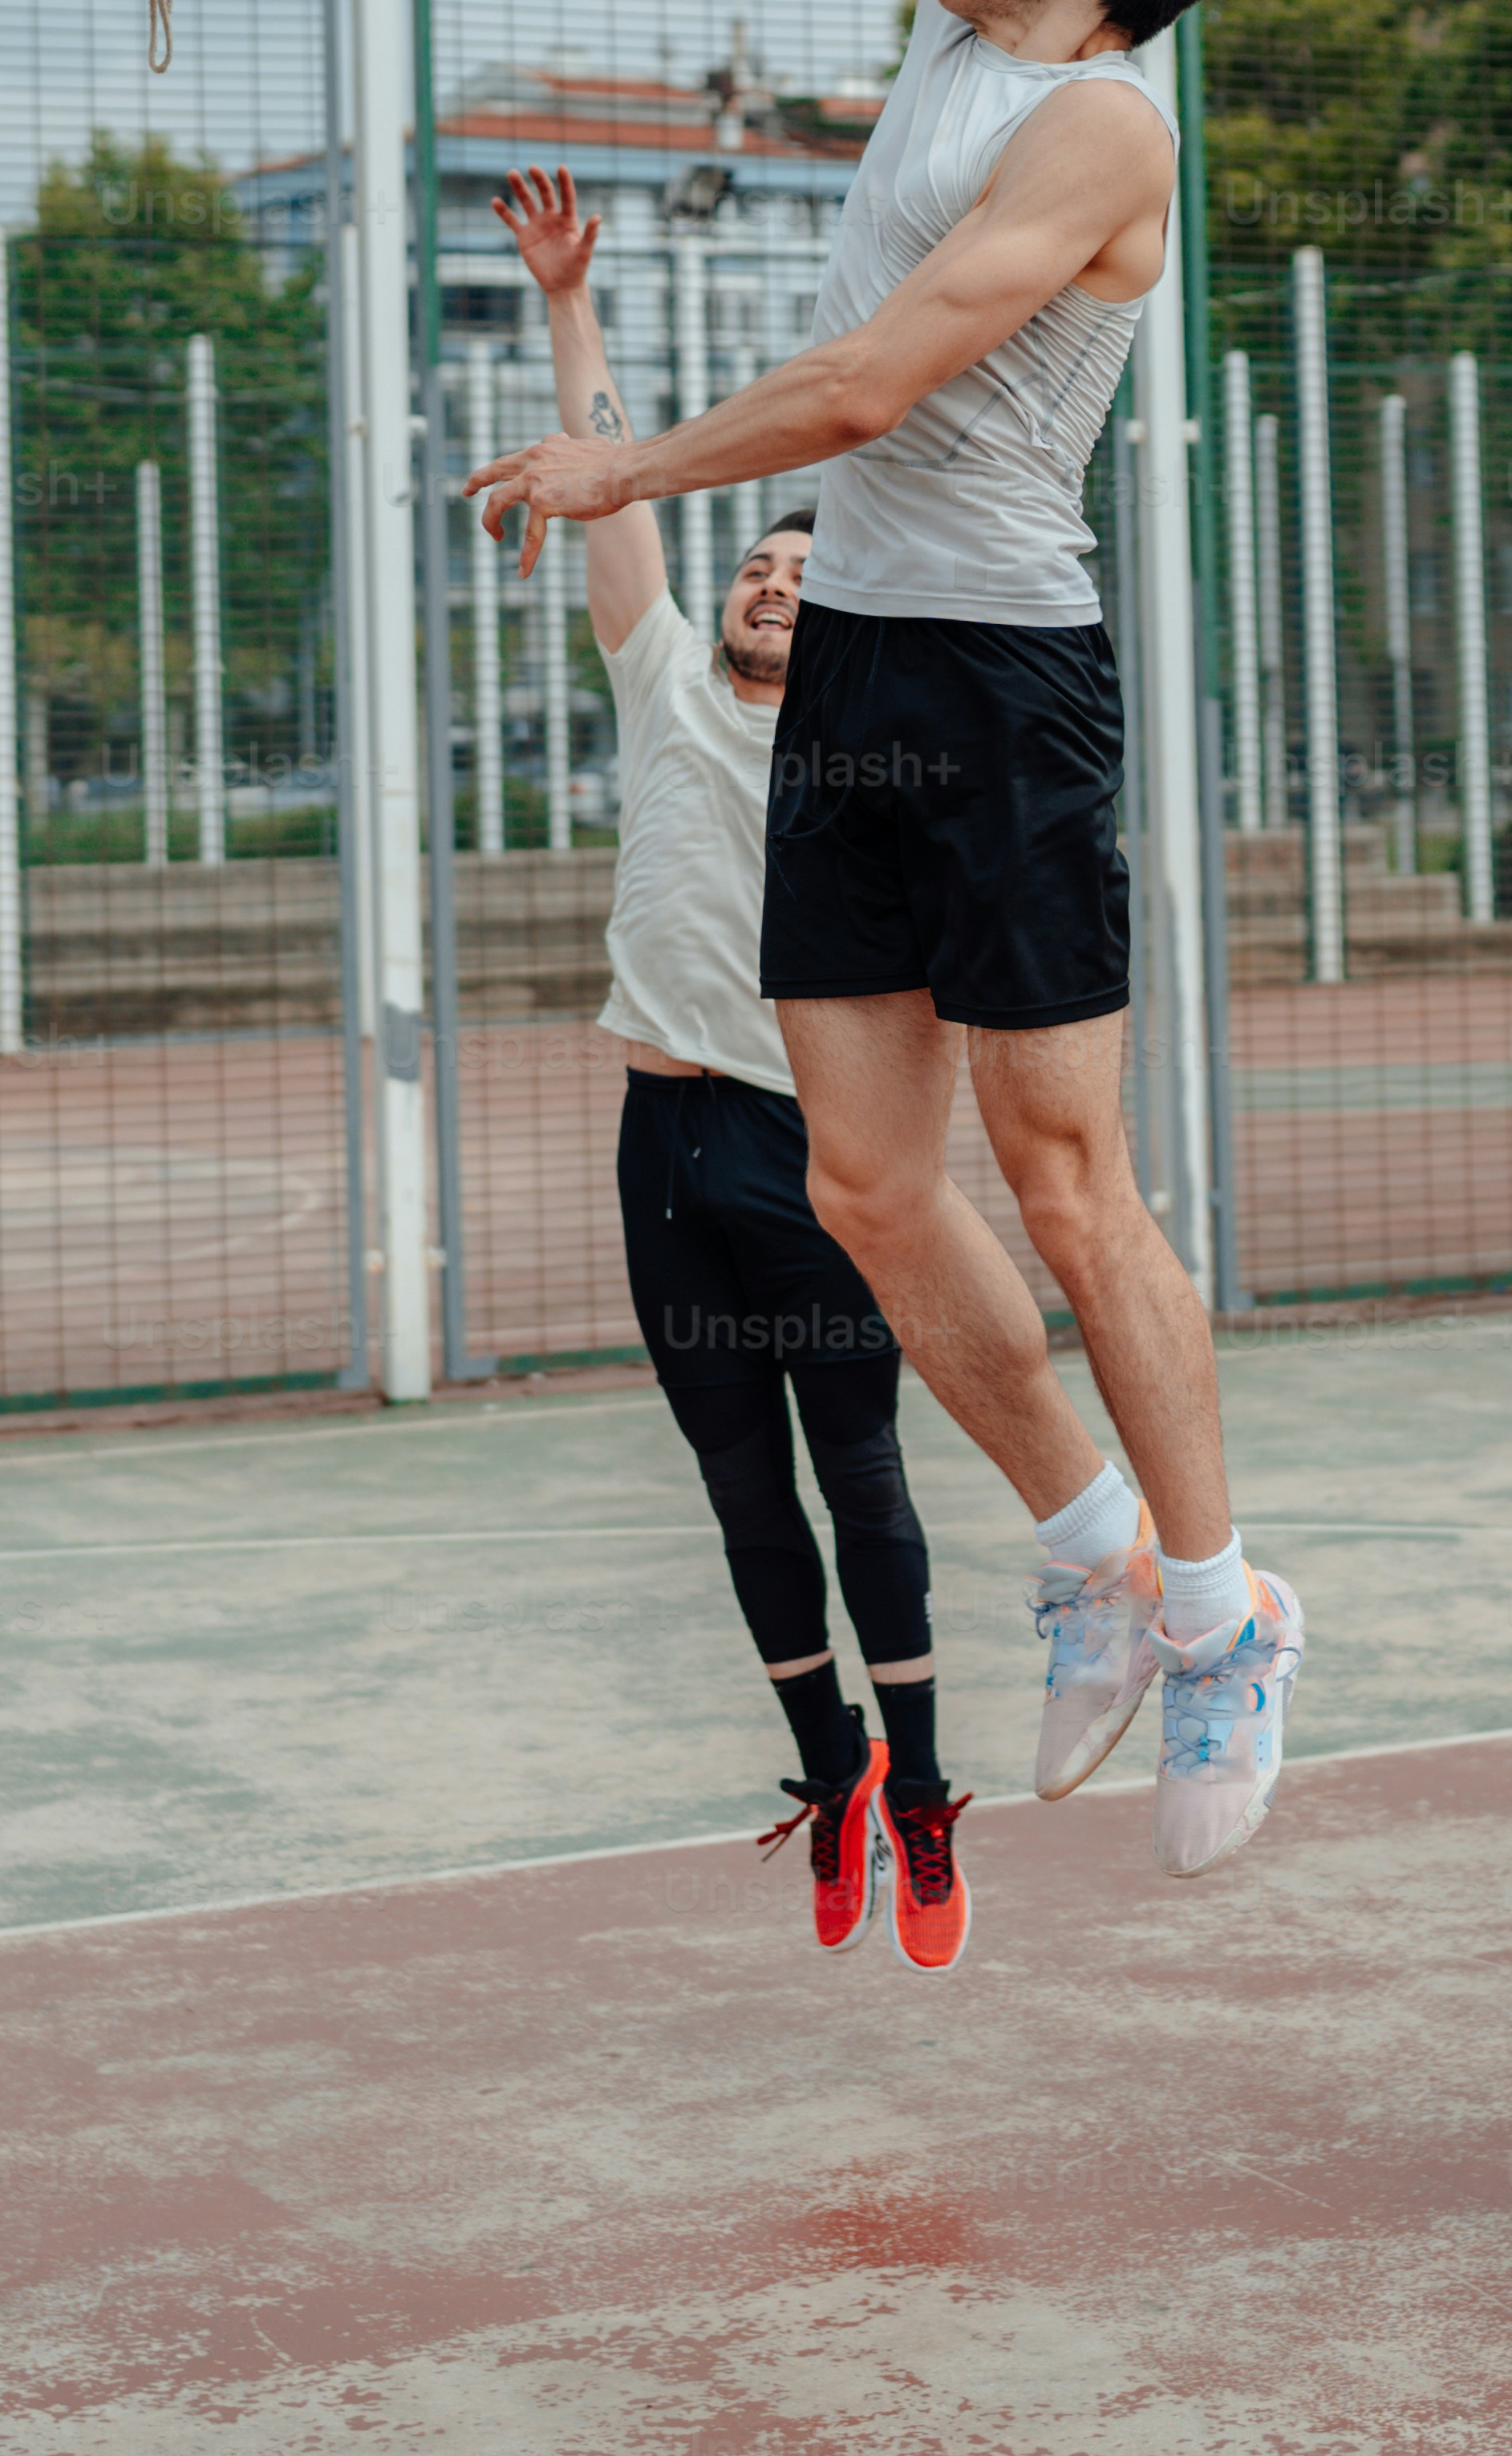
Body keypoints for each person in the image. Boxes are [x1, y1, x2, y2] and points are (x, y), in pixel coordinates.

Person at [463, 0, 1301, 1883]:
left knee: (1064, 1180)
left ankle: (1223, 1598)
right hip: (851, 670)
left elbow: (864, 392)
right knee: (853, 1178)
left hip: (996, 678)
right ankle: (1073, 1546)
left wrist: (623, 463)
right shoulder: (958, 31)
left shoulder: (1099, 143)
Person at [495, 167, 968, 1968]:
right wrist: (564, 300)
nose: (772, 581)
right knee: (736, 1483)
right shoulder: (668, 681)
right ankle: (830, 1760)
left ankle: (923, 1789)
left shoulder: (875, 761)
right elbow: (613, 485)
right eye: (758, 564)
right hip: (663, 1150)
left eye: (800, 570)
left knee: (860, 1475)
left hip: (811, 1152)